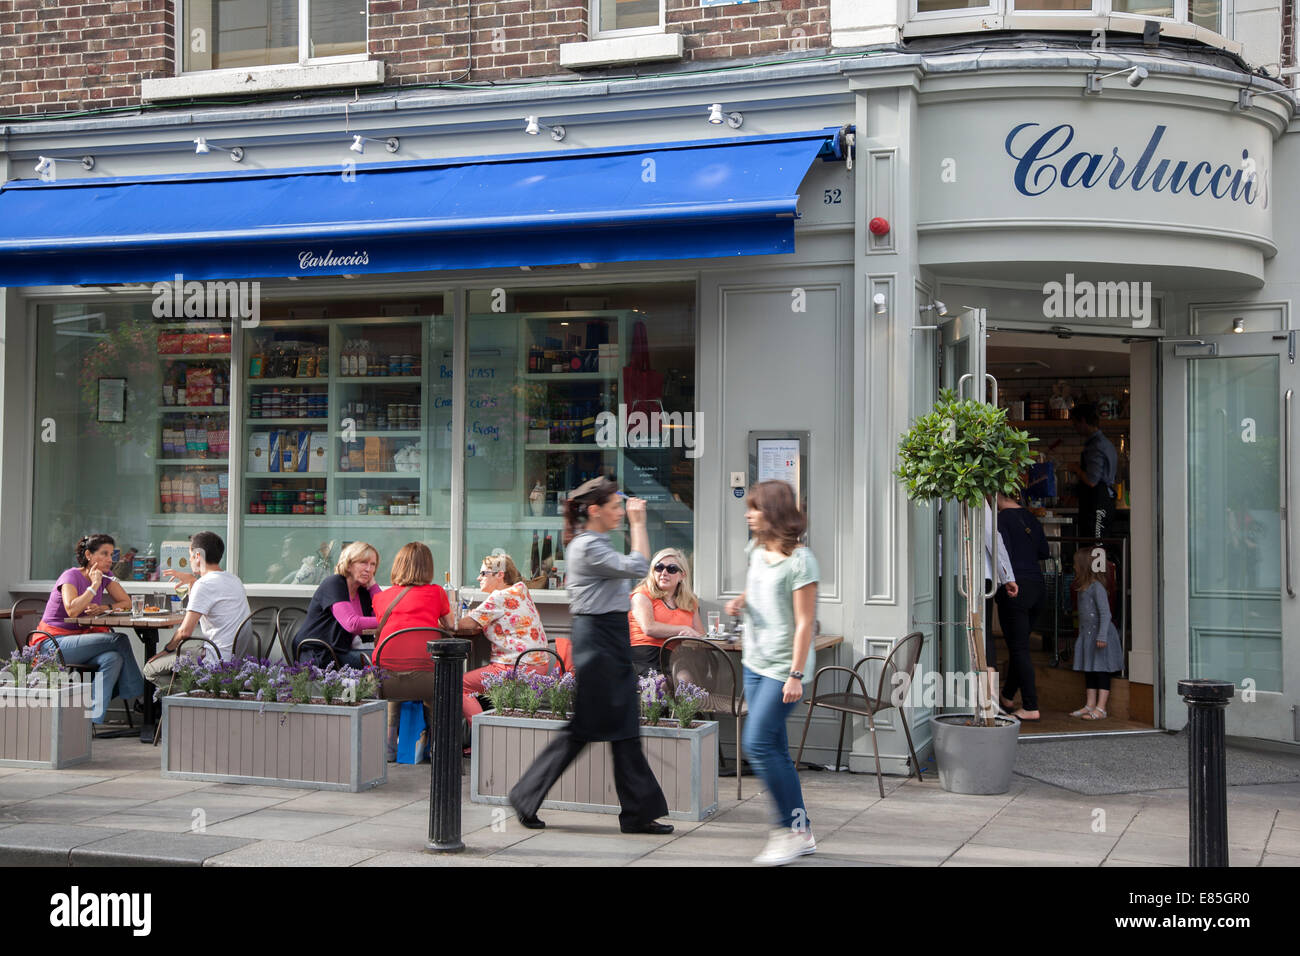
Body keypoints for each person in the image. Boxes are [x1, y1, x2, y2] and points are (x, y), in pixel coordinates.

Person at [509, 476, 673, 836]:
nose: (619, 512)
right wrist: (639, 524)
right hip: (598, 643)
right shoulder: (587, 546)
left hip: (608, 639)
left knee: (624, 728)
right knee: (585, 729)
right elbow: (637, 566)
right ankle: (526, 795)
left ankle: (637, 813)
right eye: (614, 506)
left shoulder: (595, 542)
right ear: (595, 510)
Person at [724, 480, 819, 866]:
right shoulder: (757, 549)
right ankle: (802, 830)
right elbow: (760, 590)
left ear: (774, 513)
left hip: (784, 669)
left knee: (758, 745)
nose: (748, 514)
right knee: (775, 749)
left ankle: (788, 832)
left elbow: (804, 623)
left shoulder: (801, 561)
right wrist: (742, 602)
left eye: (755, 508)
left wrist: (796, 674)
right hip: (755, 664)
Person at [34, 533, 145, 725]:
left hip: (80, 640)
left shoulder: (107, 576)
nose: (110, 560)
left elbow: (126, 602)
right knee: (119, 640)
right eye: (104, 554)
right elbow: (73, 609)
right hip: (54, 644)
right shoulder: (70, 576)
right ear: (88, 555)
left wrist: (105, 608)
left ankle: (91, 721)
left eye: (112, 554)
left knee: (114, 658)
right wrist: (93, 586)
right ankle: (143, 699)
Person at [371, 542, 455, 761]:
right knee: (435, 689)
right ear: (428, 567)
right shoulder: (436, 592)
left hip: (385, 683)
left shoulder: (380, 598)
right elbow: (451, 625)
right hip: (427, 682)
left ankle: (389, 747)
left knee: (395, 670)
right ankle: (439, 748)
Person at [147, 532, 251, 689]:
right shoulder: (233, 579)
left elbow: (185, 632)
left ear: (197, 556)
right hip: (235, 657)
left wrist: (167, 649)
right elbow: (205, 603)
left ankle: (195, 695)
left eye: (189, 555)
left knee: (151, 669)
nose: (189, 560)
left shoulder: (205, 584)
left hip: (215, 660)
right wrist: (193, 582)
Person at [456, 552, 548, 722]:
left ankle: (480, 738)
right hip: (539, 664)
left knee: (458, 686)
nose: (478, 577)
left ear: (500, 575)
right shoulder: (520, 589)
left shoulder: (499, 597)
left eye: (484, 573)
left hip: (516, 667)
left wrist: (446, 620)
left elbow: (465, 624)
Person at [994, 491, 1051, 722]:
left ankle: (1030, 705)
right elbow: (1044, 552)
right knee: (1021, 647)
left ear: (996, 494)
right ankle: (1007, 696)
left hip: (1014, 586)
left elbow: (1000, 554)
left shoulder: (1000, 520)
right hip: (1037, 586)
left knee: (1019, 649)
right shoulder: (1031, 518)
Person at [293, 541, 381, 668]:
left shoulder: (362, 589)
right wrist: (387, 620)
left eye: (373, 564)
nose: (369, 569)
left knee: (390, 657)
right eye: (363, 563)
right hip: (318, 654)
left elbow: (384, 611)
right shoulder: (334, 583)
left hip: (340, 651)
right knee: (384, 659)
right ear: (349, 565)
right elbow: (352, 624)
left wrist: (373, 586)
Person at [627, 547, 705, 677]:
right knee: (664, 684)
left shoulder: (690, 603)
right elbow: (649, 628)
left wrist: (692, 636)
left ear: (682, 575)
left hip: (675, 657)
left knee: (686, 680)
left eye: (672, 569)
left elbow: (701, 636)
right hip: (643, 656)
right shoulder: (642, 595)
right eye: (659, 567)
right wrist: (683, 629)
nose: (664, 572)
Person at [1070, 547, 1124, 720]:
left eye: (1076, 564)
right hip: (1088, 636)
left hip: (1101, 636)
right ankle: (1090, 704)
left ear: (1084, 566)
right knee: (1090, 670)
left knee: (1101, 671)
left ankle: (1101, 708)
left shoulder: (1096, 588)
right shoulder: (1082, 589)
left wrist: (1101, 636)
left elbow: (1105, 613)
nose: (1074, 567)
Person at [1067, 404, 1118, 547]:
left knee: (1095, 548)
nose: (1075, 427)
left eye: (1075, 423)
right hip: (1101, 501)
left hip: (1097, 503)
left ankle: (1095, 571)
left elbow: (1091, 480)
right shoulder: (1104, 443)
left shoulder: (1096, 446)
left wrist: (1076, 468)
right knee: (1097, 548)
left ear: (1083, 421)